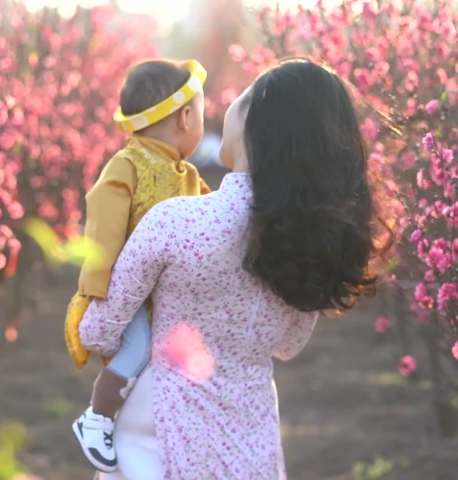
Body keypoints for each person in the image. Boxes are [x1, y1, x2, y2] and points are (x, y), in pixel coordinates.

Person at [79, 58, 391, 479]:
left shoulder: (176, 222)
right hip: (249, 433)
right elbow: (288, 345)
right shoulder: (307, 244)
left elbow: (97, 330)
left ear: (258, 124)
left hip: (162, 425)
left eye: (242, 97)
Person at [64, 58, 212, 472]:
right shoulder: (127, 164)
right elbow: (104, 222)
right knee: (137, 347)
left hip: (160, 291)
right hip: (123, 288)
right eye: (201, 113)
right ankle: (97, 417)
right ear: (185, 117)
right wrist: (98, 286)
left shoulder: (186, 173)